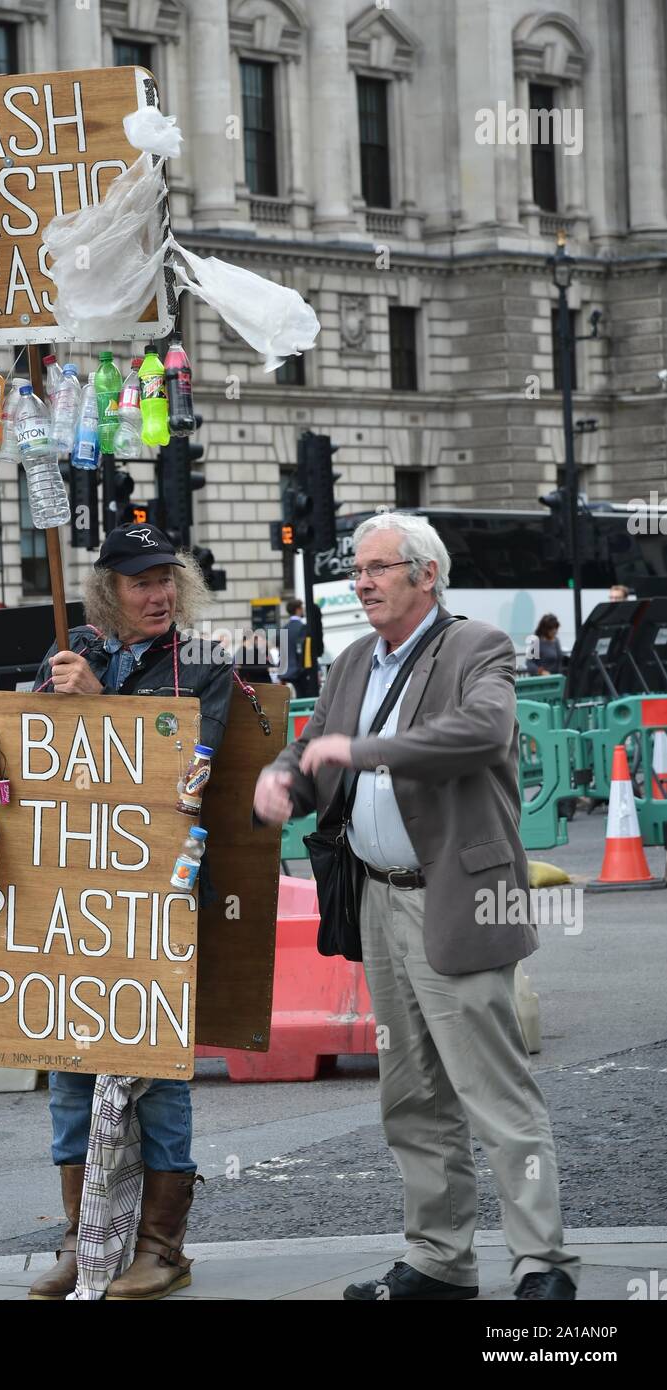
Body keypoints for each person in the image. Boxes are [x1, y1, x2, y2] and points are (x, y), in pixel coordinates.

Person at [253, 511, 579, 1303]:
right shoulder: (355, 659)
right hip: (378, 896)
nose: (359, 582)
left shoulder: (476, 647)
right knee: (411, 1095)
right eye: (355, 570)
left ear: (423, 575)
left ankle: (542, 1265)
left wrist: (359, 752)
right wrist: (284, 777)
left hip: (461, 896)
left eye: (376, 568)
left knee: (492, 1092)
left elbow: (479, 732)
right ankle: (438, 1261)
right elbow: (317, 745)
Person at [28, 522, 232, 1302]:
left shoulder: (204, 663)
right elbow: (23, 761)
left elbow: (178, 770)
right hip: (74, 893)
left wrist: (101, 702)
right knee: (69, 1060)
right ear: (107, 591)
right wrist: (44, 697)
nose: (158, 594)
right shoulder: (68, 651)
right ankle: (85, 1241)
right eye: (140, 581)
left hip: (162, 892)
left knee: (157, 1068)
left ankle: (160, 1246)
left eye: (166, 578)